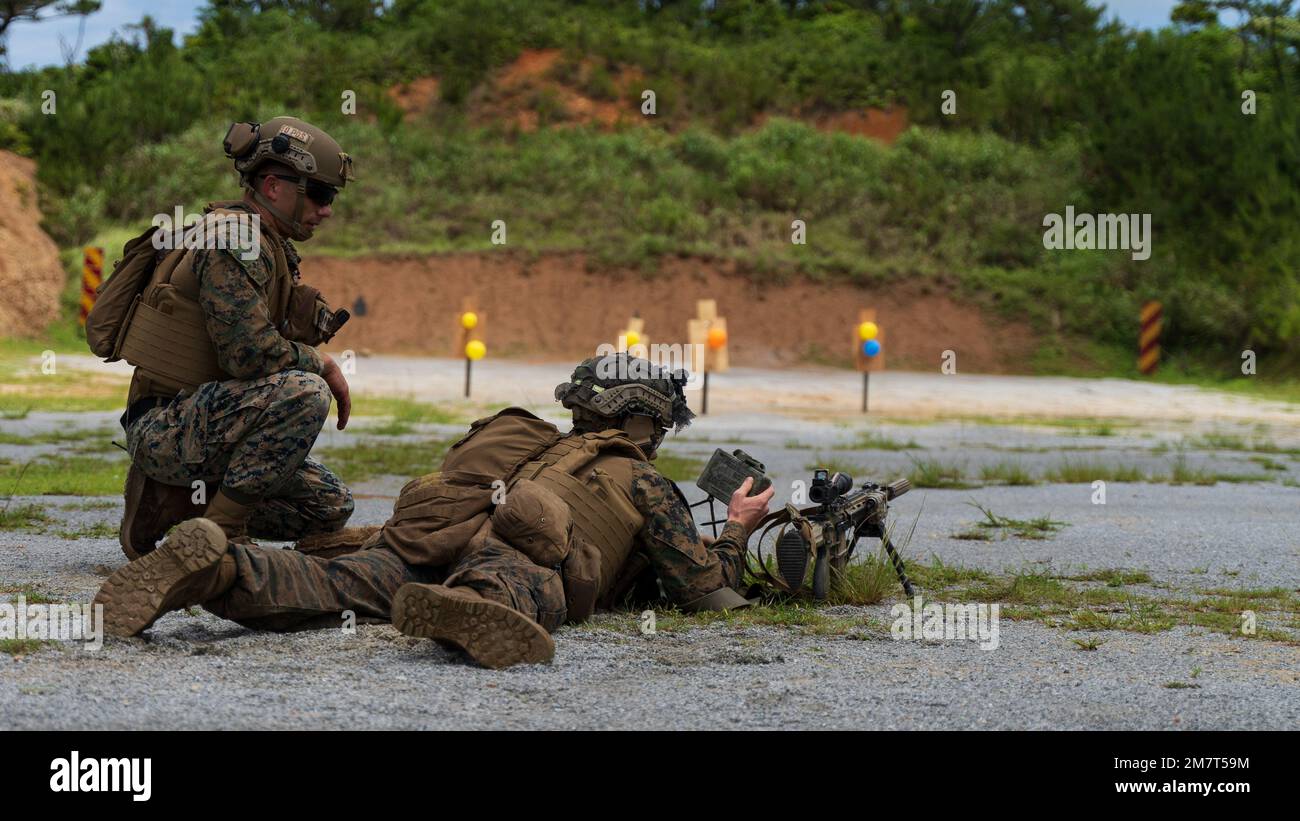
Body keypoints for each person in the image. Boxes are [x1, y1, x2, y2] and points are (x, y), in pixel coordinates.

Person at [94, 354, 775, 669]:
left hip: (423, 539)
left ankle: (221, 570)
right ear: (640, 422)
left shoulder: (525, 436)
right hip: (512, 548)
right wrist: (739, 526)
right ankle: (473, 608)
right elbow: (700, 590)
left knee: (336, 585)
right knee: (514, 572)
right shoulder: (643, 481)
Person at [108, 116, 357, 560]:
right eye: (320, 194)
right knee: (305, 392)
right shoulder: (234, 242)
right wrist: (324, 364)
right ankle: (218, 535)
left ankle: (171, 502)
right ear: (275, 186)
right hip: (166, 425)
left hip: (208, 421)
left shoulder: (266, 242)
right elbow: (250, 355)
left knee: (329, 505)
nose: (327, 210)